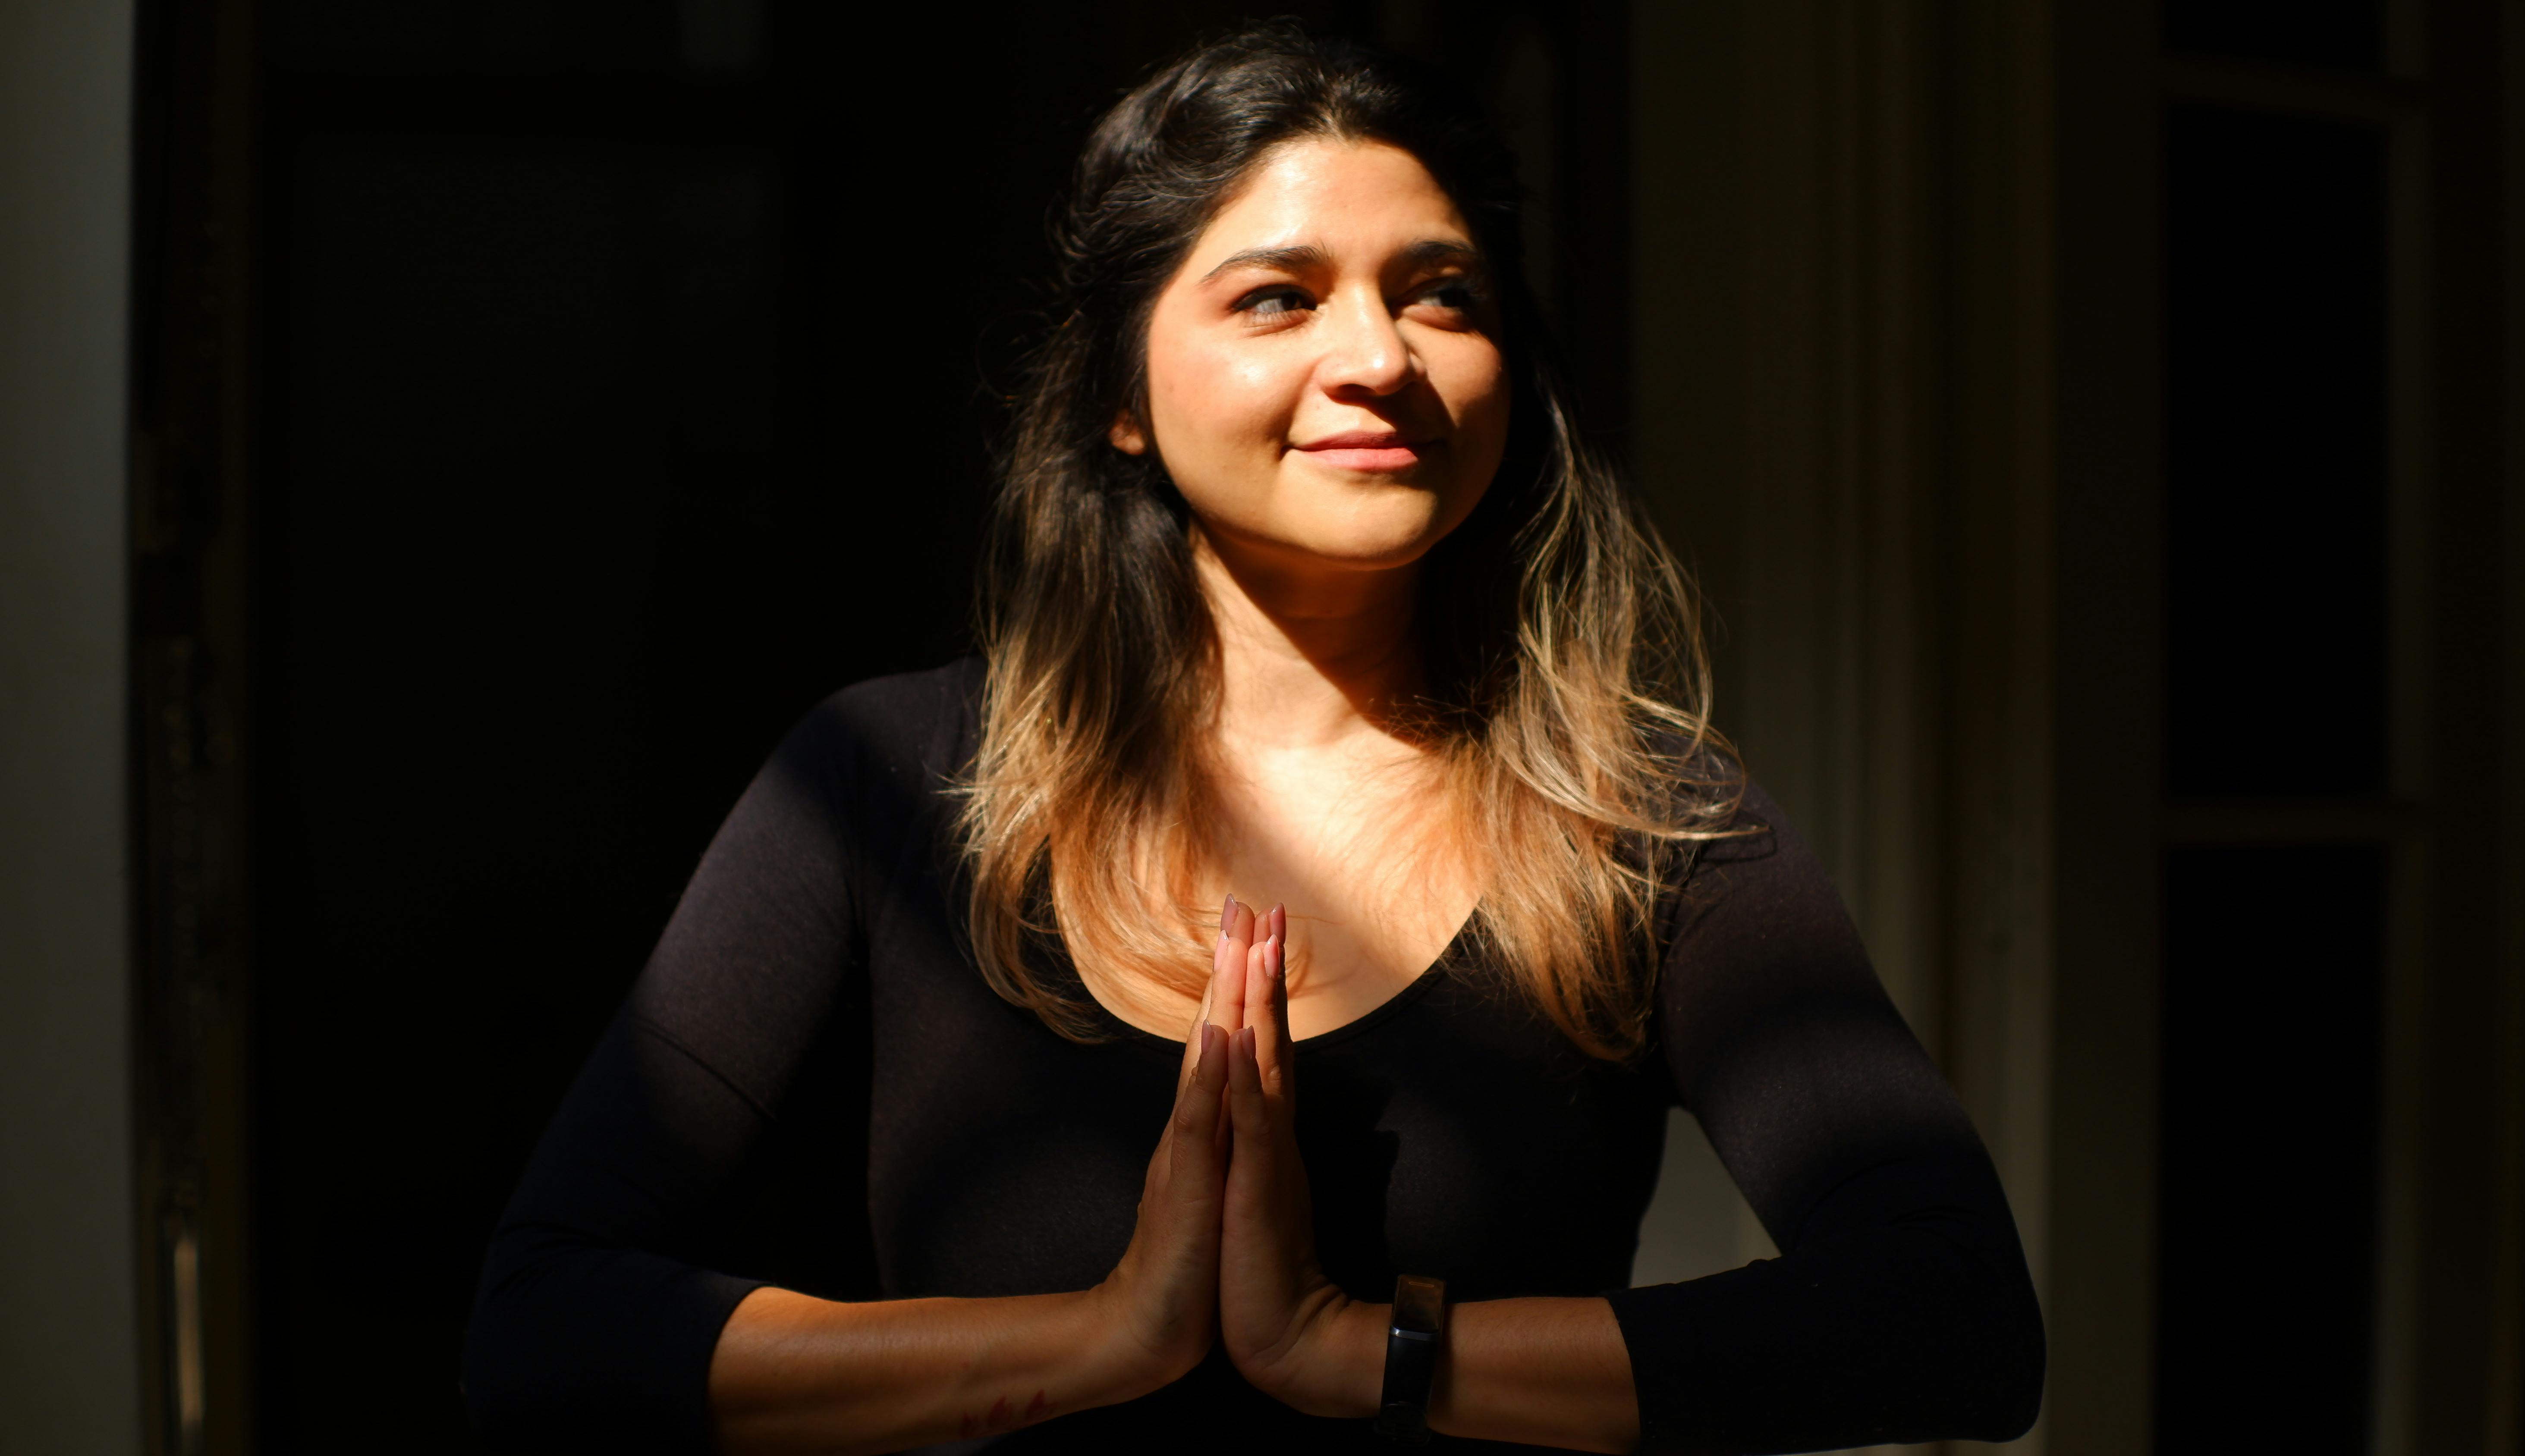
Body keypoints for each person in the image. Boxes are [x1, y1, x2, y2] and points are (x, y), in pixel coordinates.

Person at [461, 22, 2043, 1455]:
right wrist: (1096, 1344)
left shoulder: (1643, 827)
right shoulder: (878, 784)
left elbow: (1951, 1319)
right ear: (1120, 398)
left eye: (1444, 294)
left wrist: (1365, 1354)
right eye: (1279, 297)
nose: (1378, 358)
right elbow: (549, 1330)